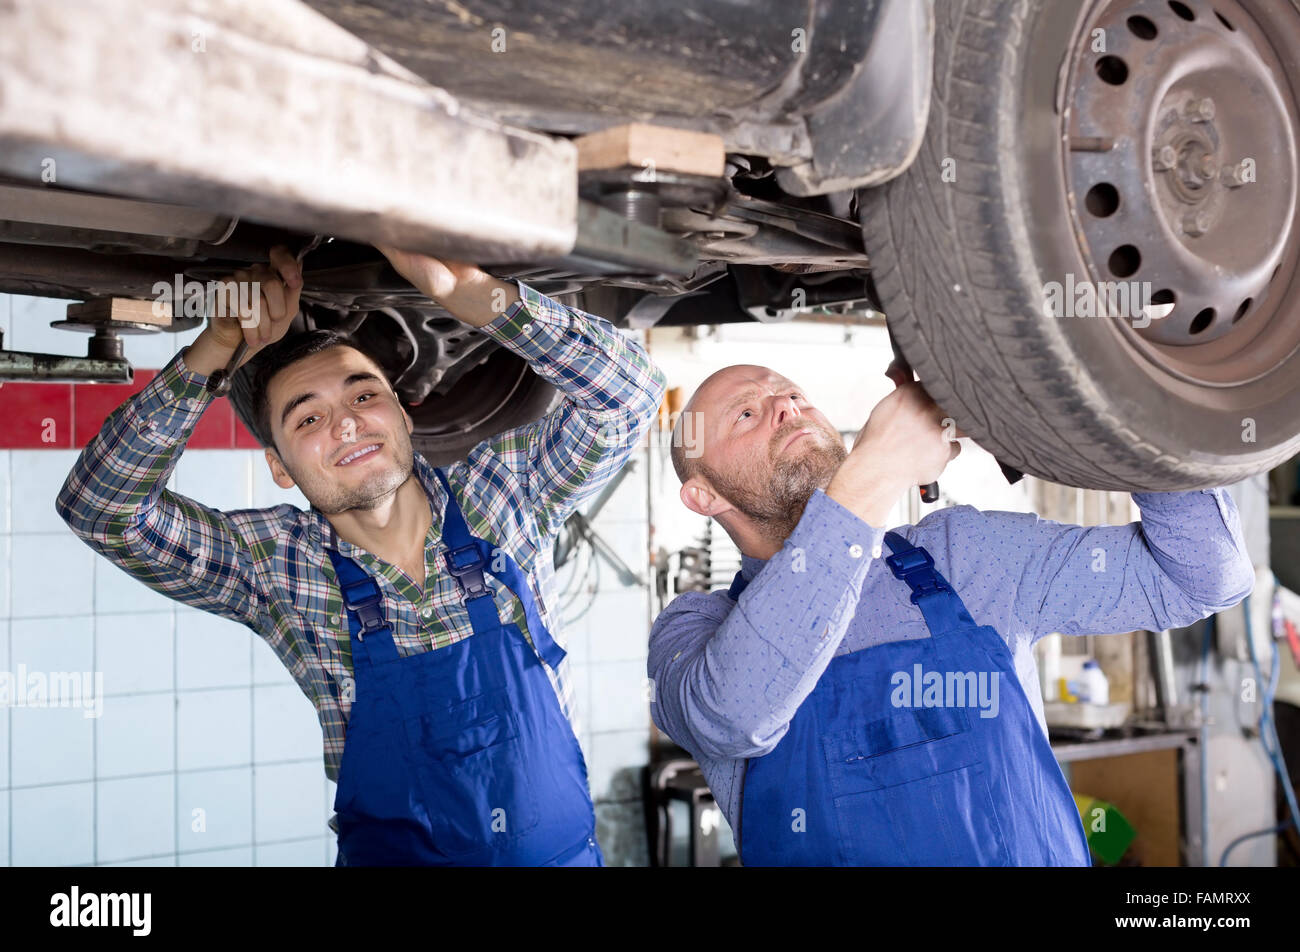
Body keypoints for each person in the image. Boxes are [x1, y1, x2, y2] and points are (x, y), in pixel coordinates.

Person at [56, 245, 666, 866]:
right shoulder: (278, 570)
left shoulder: (504, 496)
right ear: (279, 467)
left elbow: (632, 396)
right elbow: (101, 509)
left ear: (402, 412)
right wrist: (210, 351)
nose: (345, 425)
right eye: (308, 419)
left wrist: (471, 292)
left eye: (363, 397)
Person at [649, 363, 1254, 865]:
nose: (787, 407)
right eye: (747, 414)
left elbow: (1201, 577)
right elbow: (738, 713)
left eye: (794, 395)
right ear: (705, 495)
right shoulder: (695, 633)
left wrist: (1127, 394)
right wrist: (878, 468)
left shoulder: (962, 556)